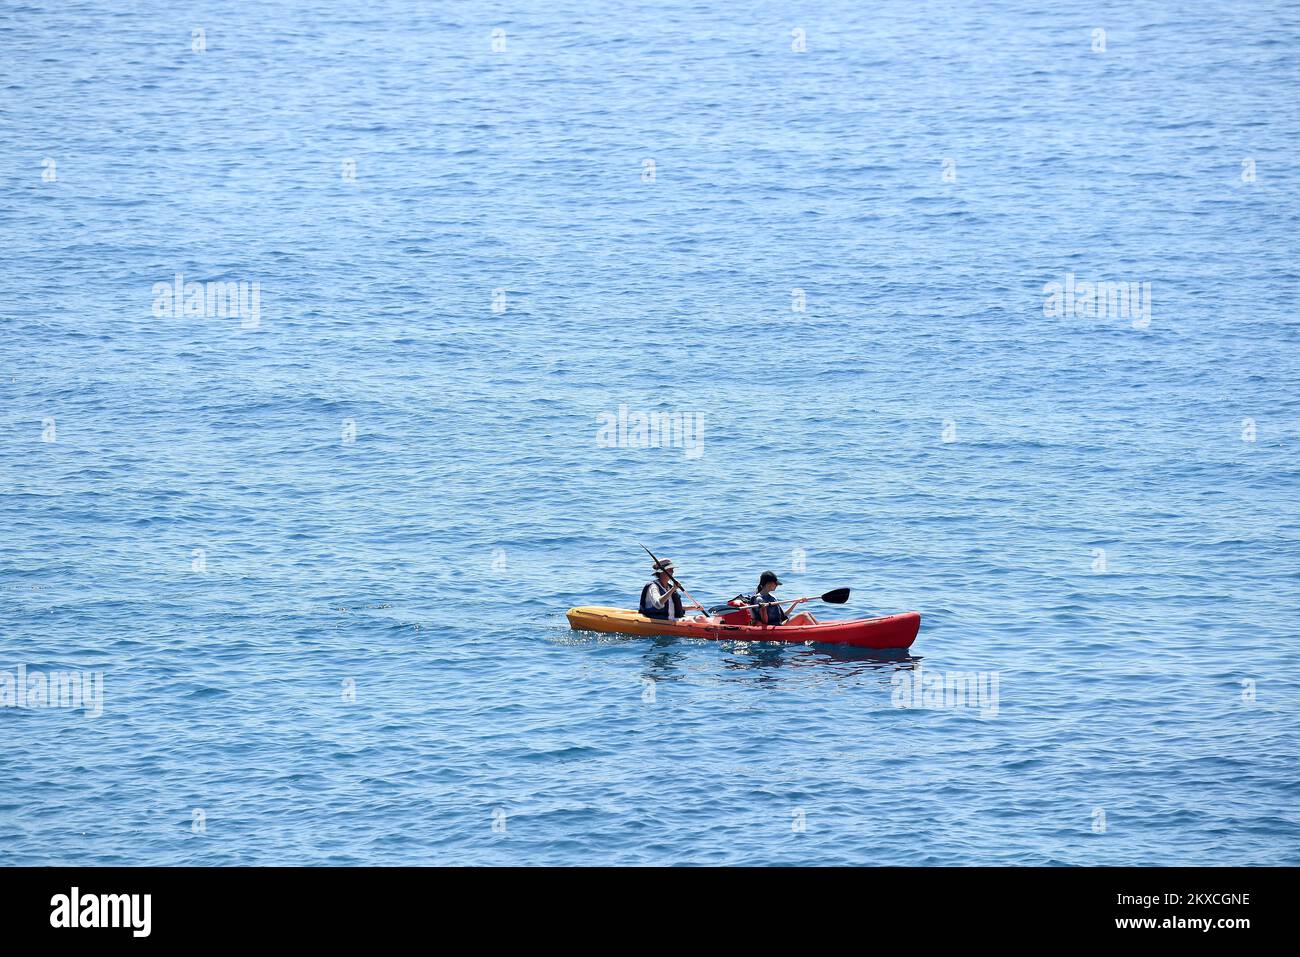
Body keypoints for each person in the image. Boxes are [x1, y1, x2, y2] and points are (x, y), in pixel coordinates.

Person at [748, 570, 818, 626]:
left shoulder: (772, 597)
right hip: (774, 627)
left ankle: (820, 629)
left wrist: (795, 603)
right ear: (768, 583)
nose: (777, 586)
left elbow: (783, 615)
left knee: (807, 613)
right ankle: (818, 632)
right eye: (775, 584)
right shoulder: (759, 599)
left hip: (781, 623)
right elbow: (765, 622)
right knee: (804, 615)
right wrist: (763, 609)